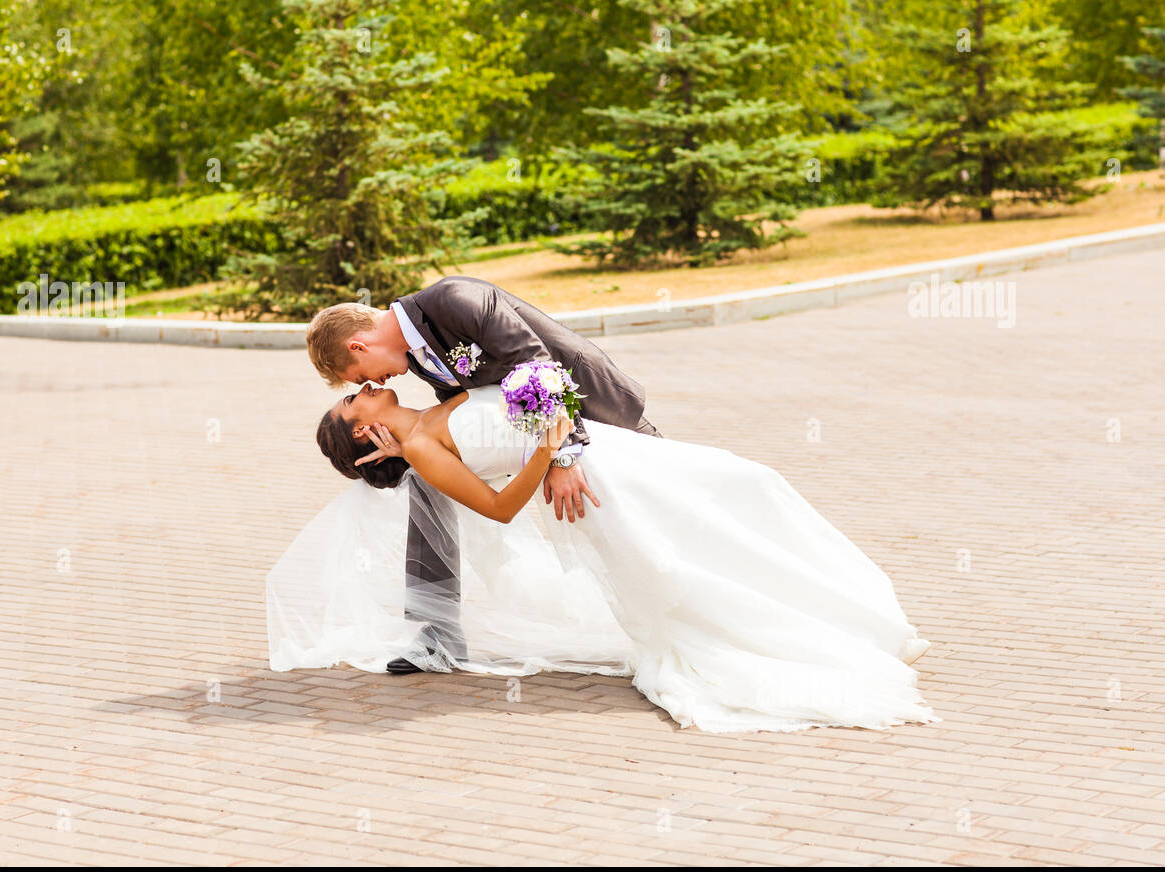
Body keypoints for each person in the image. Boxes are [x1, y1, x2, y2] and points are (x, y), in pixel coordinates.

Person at [265, 382, 938, 735]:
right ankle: (823, 638)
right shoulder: (421, 452)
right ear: (363, 429)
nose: (365, 384)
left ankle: (852, 616)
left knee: (745, 485)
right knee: (706, 535)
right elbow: (498, 507)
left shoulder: (434, 404)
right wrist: (547, 449)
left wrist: (549, 410)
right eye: (352, 397)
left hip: (605, 455)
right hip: (593, 483)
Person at [303, 276, 659, 673]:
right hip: (545, 435)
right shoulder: (417, 358)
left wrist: (561, 455)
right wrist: (410, 453)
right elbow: (468, 420)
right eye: (358, 388)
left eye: (357, 378)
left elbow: (534, 364)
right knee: (423, 482)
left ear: (358, 346)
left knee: (663, 507)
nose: (371, 384)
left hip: (593, 408)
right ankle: (437, 633)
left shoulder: (454, 300)